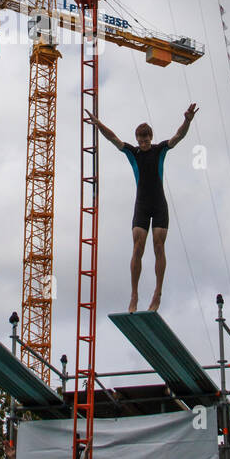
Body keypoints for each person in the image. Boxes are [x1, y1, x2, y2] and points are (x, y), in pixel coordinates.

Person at [86, 105, 198, 313]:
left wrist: (188, 121)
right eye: (141, 139)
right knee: (138, 247)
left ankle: (157, 293)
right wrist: (99, 123)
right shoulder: (133, 152)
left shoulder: (159, 149)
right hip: (142, 205)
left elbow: (178, 137)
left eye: (147, 138)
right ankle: (134, 294)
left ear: (151, 137)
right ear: (137, 139)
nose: (144, 142)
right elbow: (113, 138)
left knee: (158, 246)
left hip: (159, 204)